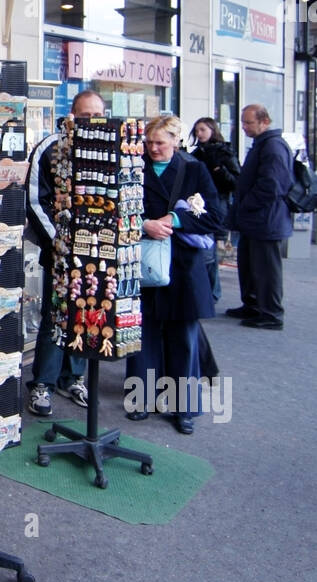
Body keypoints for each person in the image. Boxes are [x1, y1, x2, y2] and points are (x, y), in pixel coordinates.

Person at [125, 115, 223, 435]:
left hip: (183, 266)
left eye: (160, 143)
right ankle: (141, 398)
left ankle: (183, 409)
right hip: (144, 262)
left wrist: (175, 221)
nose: (152, 148)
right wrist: (144, 224)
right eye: (149, 142)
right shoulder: (132, 166)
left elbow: (217, 217)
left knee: (183, 337)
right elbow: (115, 210)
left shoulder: (194, 169)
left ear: (176, 141)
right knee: (145, 335)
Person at [25, 89, 106, 418]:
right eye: (84, 115)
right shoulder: (50, 147)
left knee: (86, 314)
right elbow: (34, 200)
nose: (90, 121)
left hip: (99, 254)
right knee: (56, 315)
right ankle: (43, 382)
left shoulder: (107, 149)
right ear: (71, 115)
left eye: (95, 115)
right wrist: (58, 243)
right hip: (59, 252)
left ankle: (73, 377)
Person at [226, 104, 293, 329]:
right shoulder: (263, 145)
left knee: (266, 269)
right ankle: (254, 305)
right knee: (250, 265)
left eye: (248, 123)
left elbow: (272, 185)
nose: (243, 127)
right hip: (257, 219)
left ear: (264, 121)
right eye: (243, 122)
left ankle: (271, 313)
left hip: (266, 219)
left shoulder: (272, 147)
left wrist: (245, 205)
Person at [188, 117, 241, 300]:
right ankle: (207, 292)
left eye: (202, 129)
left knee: (211, 252)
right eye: (196, 130)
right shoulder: (196, 154)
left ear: (212, 129)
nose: (199, 134)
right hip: (198, 205)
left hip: (217, 204)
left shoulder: (223, 152)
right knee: (205, 250)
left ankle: (212, 293)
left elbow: (235, 181)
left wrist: (218, 169)